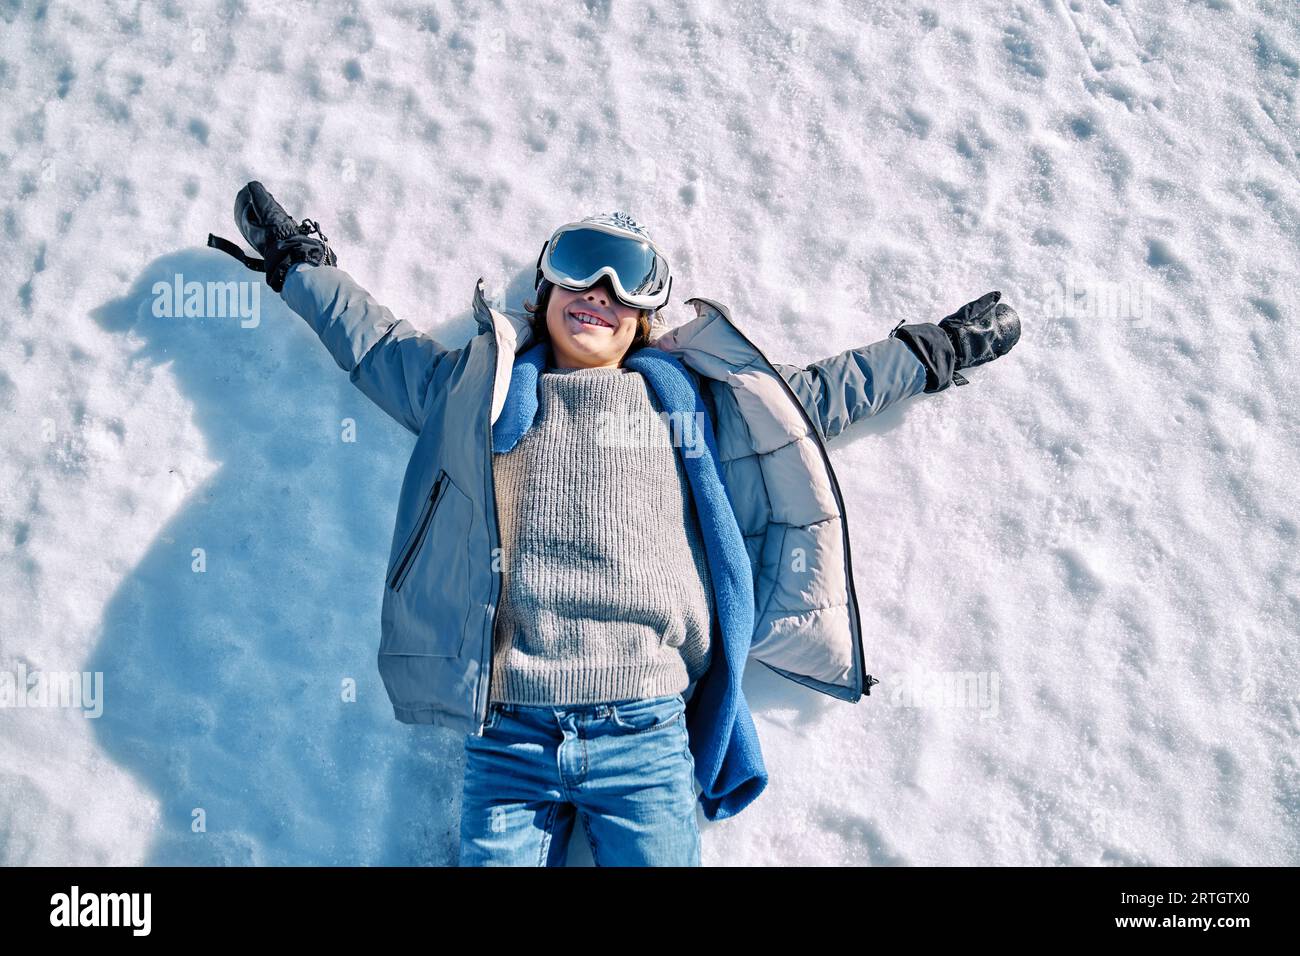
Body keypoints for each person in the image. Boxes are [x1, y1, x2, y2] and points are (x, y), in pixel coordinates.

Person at [208, 183, 1021, 866]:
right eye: (577, 271)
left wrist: (935, 349)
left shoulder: (691, 405)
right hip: (509, 734)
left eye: (625, 283)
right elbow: (378, 346)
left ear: (642, 323)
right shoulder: (475, 393)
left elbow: (819, 395)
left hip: (645, 728)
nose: (599, 289)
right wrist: (300, 269)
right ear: (541, 296)